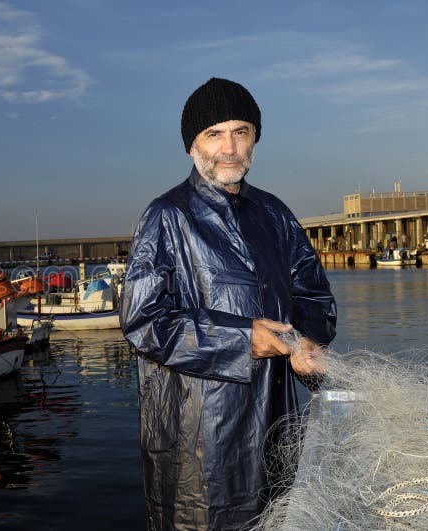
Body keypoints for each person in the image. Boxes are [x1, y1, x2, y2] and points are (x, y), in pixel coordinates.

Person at [120, 77, 337, 530]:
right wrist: (242, 339)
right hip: (197, 433)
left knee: (276, 516)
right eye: (214, 134)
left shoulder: (275, 214)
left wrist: (309, 339)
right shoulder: (167, 216)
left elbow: (313, 294)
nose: (230, 147)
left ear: (255, 138)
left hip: (275, 418)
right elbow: (144, 321)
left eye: (241, 131)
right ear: (191, 146)